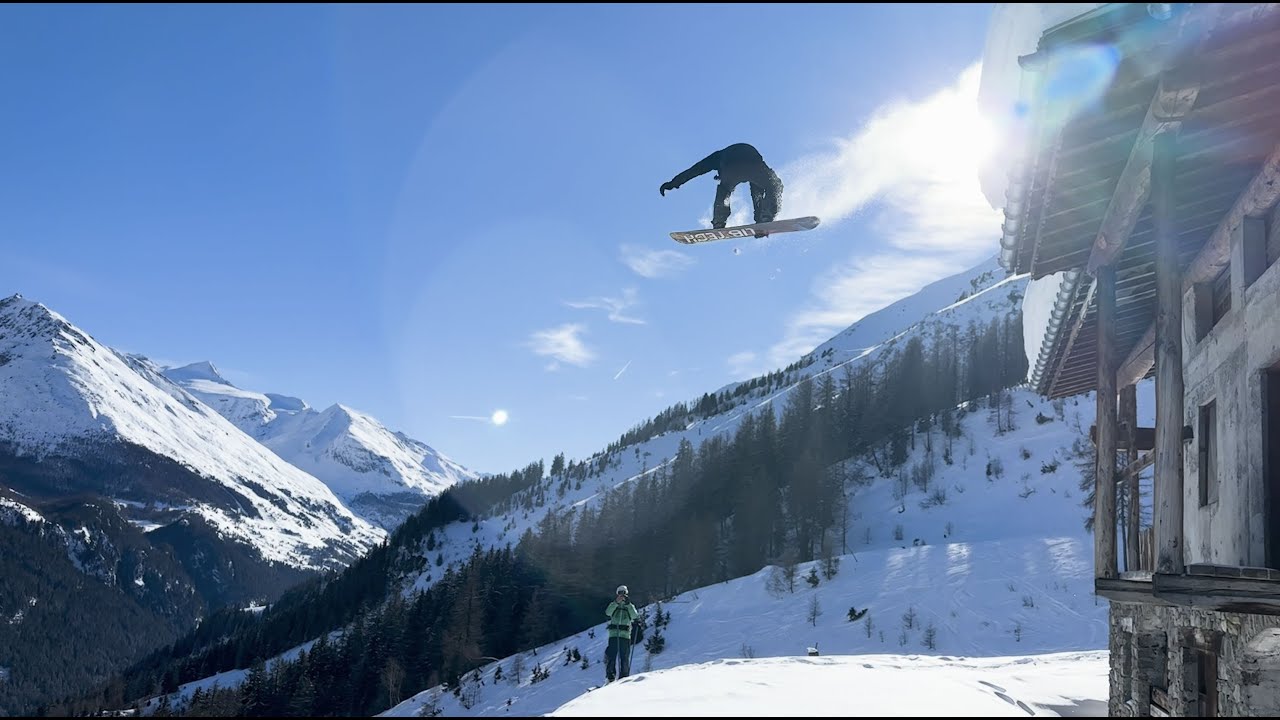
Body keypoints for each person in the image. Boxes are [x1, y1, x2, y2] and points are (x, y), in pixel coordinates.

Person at [659, 143, 783, 229]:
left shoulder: (717, 156)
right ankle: (765, 215)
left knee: (724, 189)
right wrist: (761, 221)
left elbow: (695, 170)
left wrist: (674, 183)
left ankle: (719, 220)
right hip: (752, 161)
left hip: (728, 165)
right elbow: (759, 192)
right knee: (774, 185)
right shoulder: (753, 164)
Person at [604, 584, 639, 682]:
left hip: (625, 635)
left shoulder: (630, 606)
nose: (622, 595)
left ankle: (624, 677)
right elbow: (608, 612)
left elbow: (635, 615)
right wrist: (616, 603)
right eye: (620, 593)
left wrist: (628, 604)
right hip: (614, 634)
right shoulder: (613, 604)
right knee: (611, 656)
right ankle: (610, 677)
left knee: (624, 657)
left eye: (623, 593)